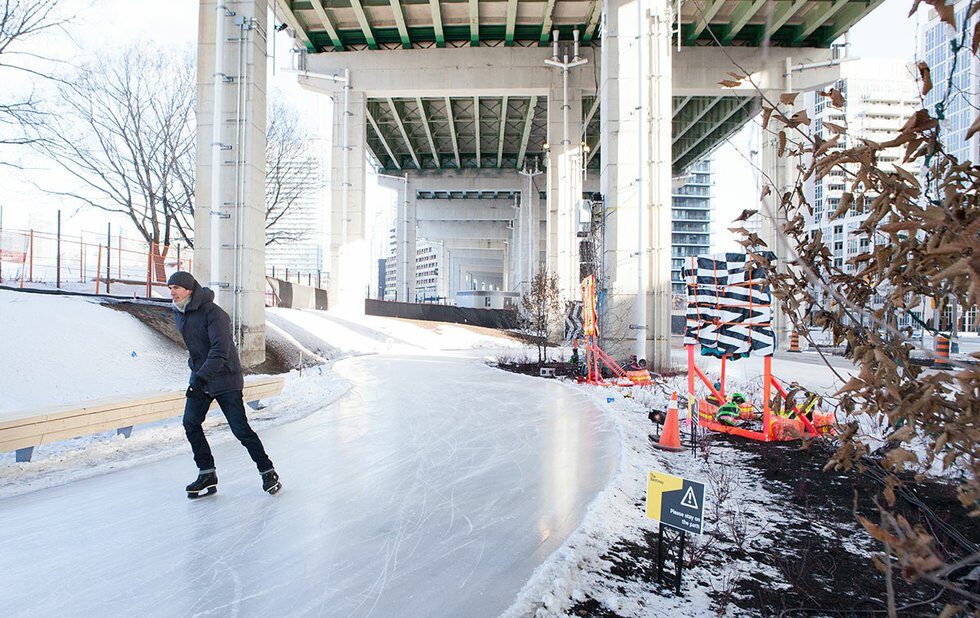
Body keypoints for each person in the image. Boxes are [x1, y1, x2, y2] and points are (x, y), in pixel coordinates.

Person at [167, 271, 281, 499]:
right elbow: (195, 348)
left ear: (189, 289)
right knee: (190, 423)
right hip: (201, 376)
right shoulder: (181, 313)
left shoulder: (214, 313)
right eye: (170, 288)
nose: (172, 292)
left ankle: (268, 471)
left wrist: (200, 378)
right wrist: (195, 372)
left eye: (176, 288)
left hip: (225, 377)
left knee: (240, 430)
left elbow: (220, 351)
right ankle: (207, 472)